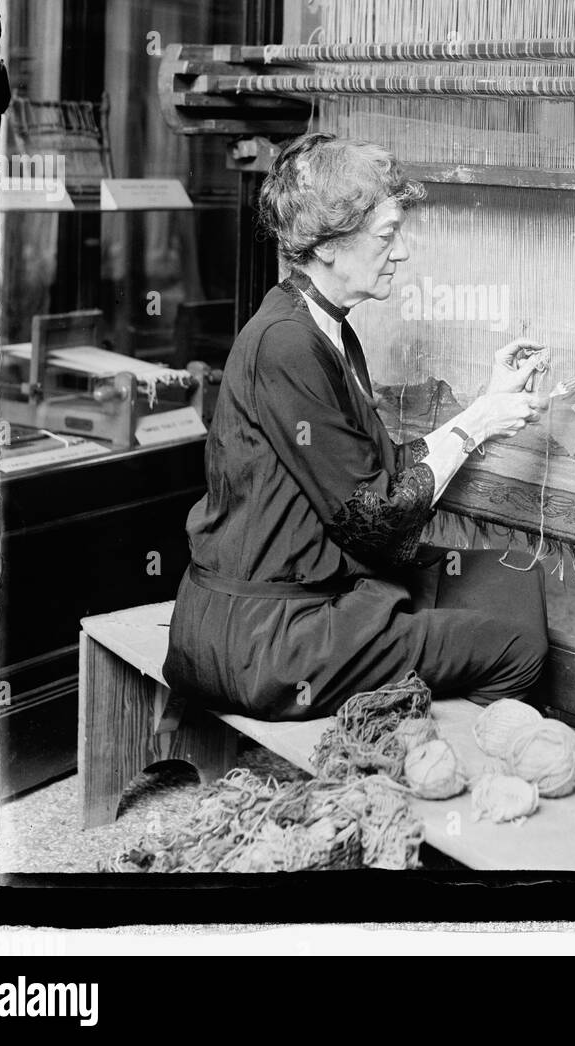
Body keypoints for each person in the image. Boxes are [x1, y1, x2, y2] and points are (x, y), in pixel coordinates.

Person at [162, 131, 550, 721]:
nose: (401, 252)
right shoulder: (287, 345)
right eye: (387, 236)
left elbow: (381, 471)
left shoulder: (323, 328)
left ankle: (420, 723)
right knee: (517, 648)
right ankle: (416, 764)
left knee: (500, 576)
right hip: (269, 642)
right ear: (326, 247)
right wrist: (474, 431)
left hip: (273, 615)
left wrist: (484, 406)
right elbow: (377, 520)